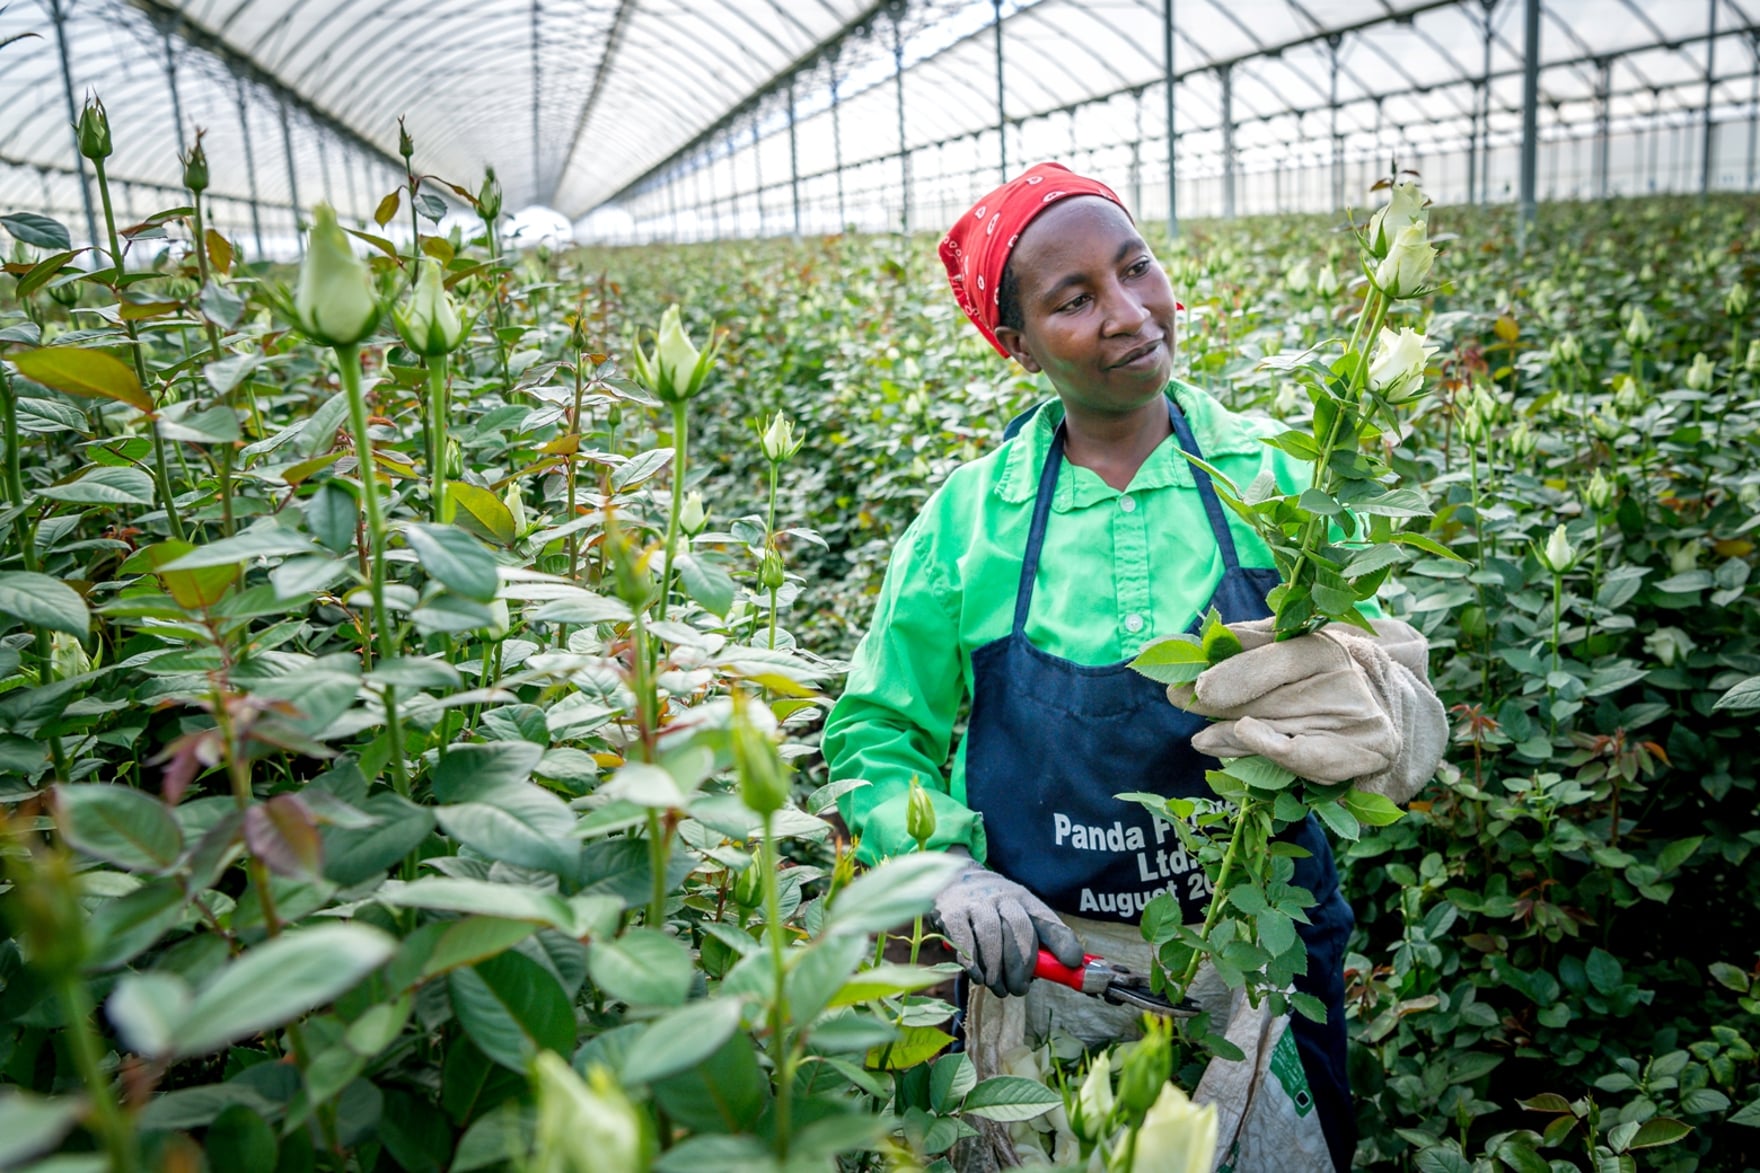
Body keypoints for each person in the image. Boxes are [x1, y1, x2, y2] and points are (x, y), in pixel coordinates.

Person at [822, 162, 1447, 1171]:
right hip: (1051, 966)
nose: (1128, 313)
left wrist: (1387, 711)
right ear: (1016, 344)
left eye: (1134, 267)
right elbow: (875, 731)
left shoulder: (1281, 478)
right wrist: (942, 867)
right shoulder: (967, 523)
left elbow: (1386, 677)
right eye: (1073, 300)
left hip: (1265, 954)